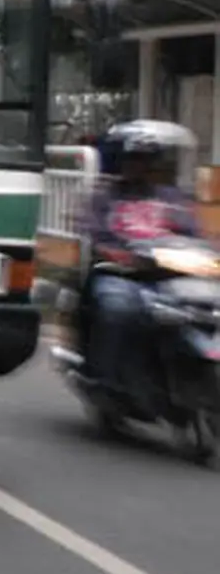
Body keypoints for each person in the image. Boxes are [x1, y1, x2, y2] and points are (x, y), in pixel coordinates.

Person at [81, 121, 199, 401]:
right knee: (119, 309)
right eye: (133, 159)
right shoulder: (105, 196)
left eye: (145, 159)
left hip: (168, 276)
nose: (139, 166)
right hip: (121, 275)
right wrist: (117, 254)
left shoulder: (171, 197)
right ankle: (105, 381)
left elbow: (193, 234)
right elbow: (96, 237)